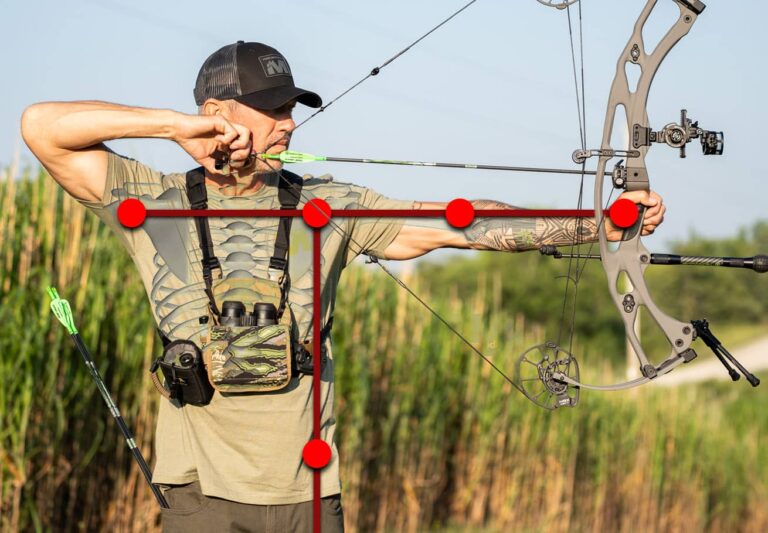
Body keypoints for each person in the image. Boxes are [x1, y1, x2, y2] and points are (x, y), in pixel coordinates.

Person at [20, 41, 665, 532]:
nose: (287, 126)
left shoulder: (328, 208)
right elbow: (41, 127)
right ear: (217, 113)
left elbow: (458, 225)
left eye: (290, 112)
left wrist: (600, 222)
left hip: (308, 493)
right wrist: (173, 128)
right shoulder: (149, 199)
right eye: (272, 111)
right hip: (197, 497)